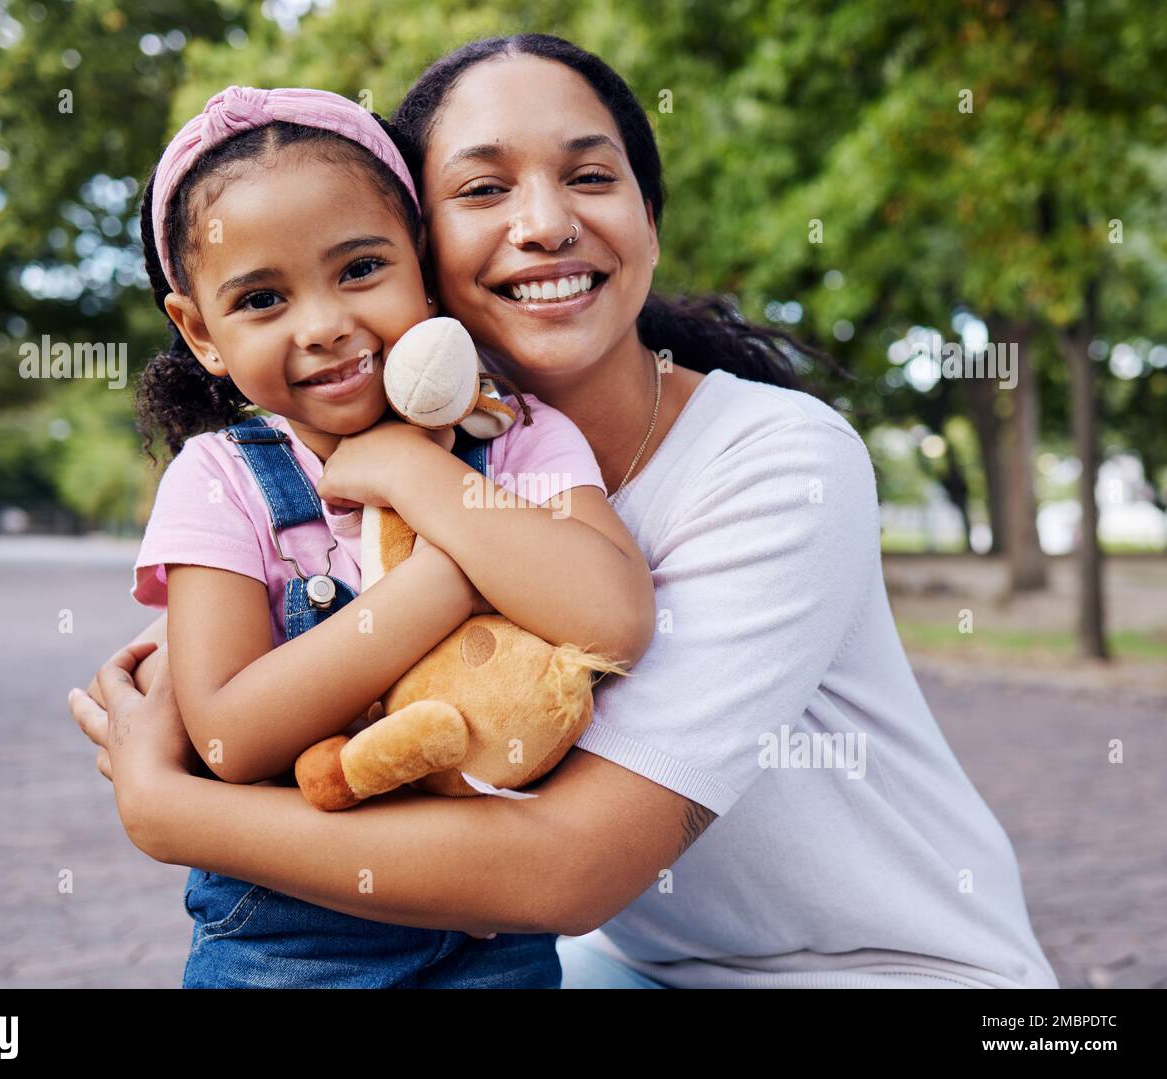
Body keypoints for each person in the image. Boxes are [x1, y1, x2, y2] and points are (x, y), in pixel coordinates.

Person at [74, 34, 1058, 989]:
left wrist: (171, 812)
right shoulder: (267, 471)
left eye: (590, 177)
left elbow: (566, 867)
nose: (545, 223)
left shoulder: (775, 458)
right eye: (484, 187)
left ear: (649, 221)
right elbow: (234, 708)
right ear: (431, 241)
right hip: (625, 962)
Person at [117, 83, 654, 989]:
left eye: (361, 269)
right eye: (261, 298)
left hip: (496, 933)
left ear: (422, 261)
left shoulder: (519, 437)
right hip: (288, 947)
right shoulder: (220, 482)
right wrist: (448, 577)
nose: (325, 325)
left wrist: (412, 473)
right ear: (199, 330)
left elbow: (613, 619)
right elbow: (231, 738)